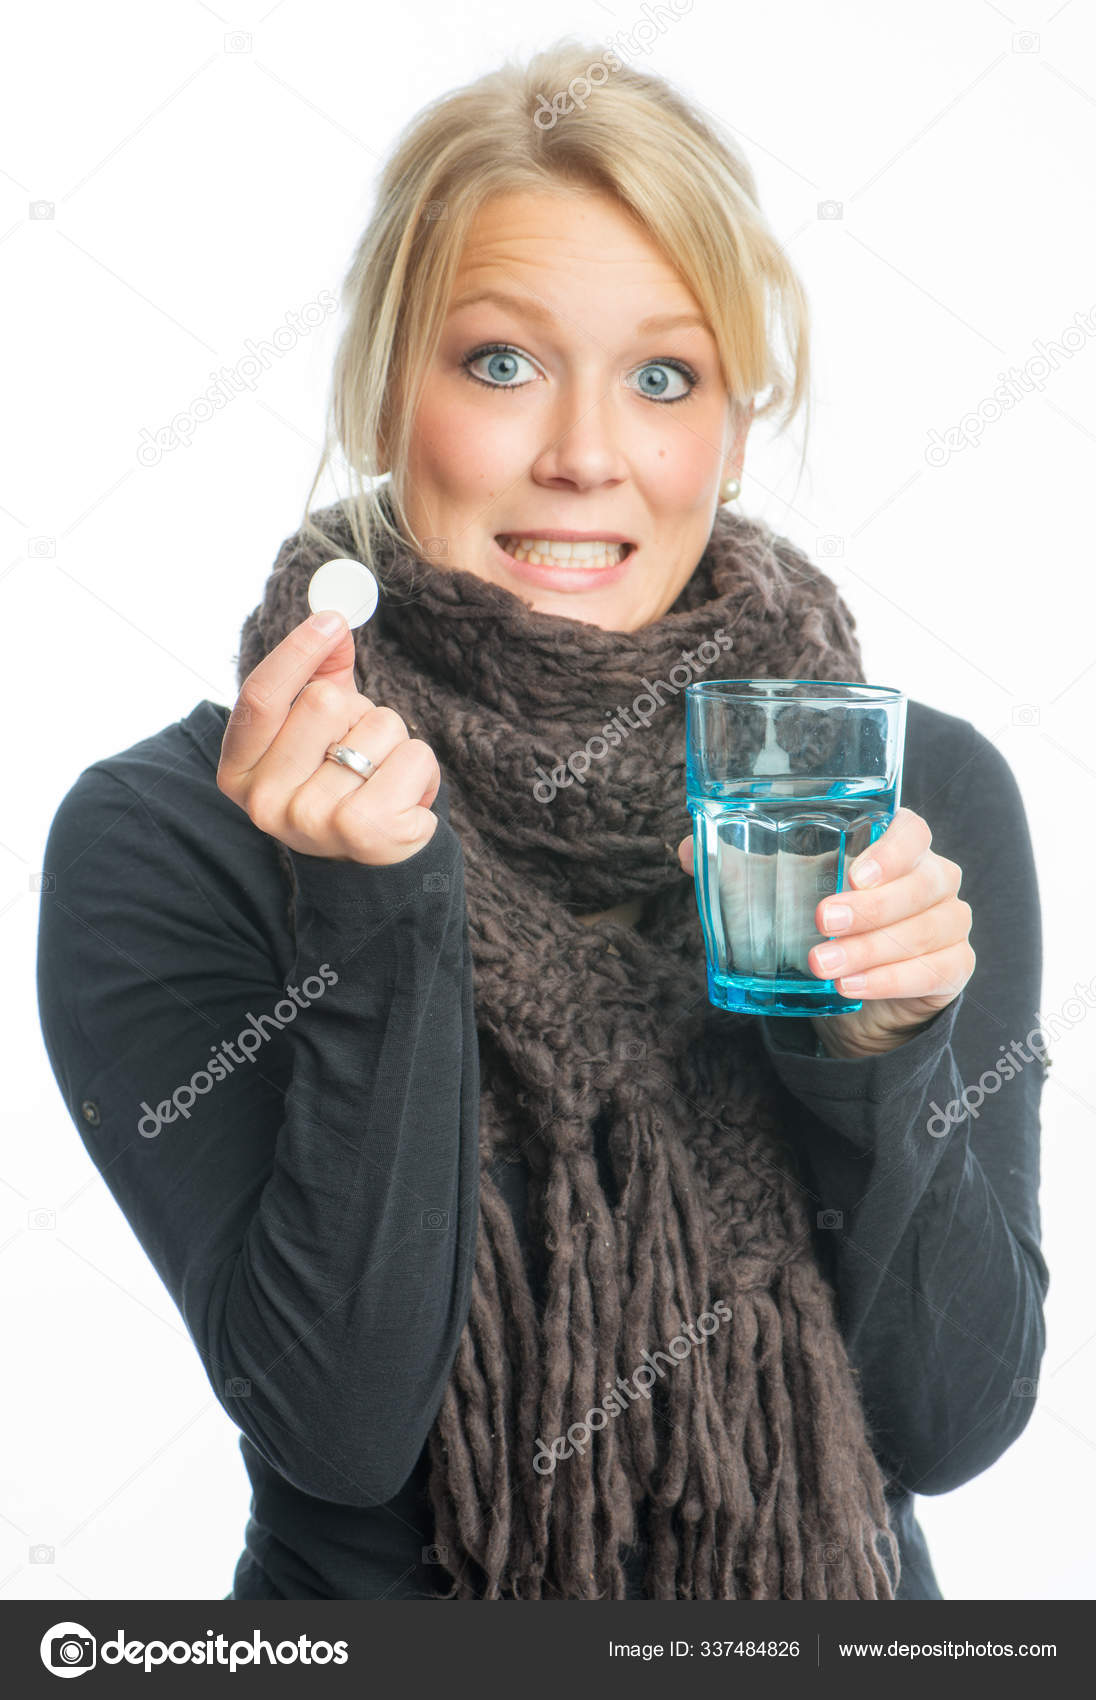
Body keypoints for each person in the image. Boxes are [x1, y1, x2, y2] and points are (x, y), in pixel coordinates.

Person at [36, 41, 1048, 1601]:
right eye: (501, 362)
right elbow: (344, 1429)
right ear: (386, 387)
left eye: (663, 377)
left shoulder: (908, 797)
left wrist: (885, 1048)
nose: (584, 454)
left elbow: (955, 1420)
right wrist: (372, 910)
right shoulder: (171, 835)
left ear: (731, 419)